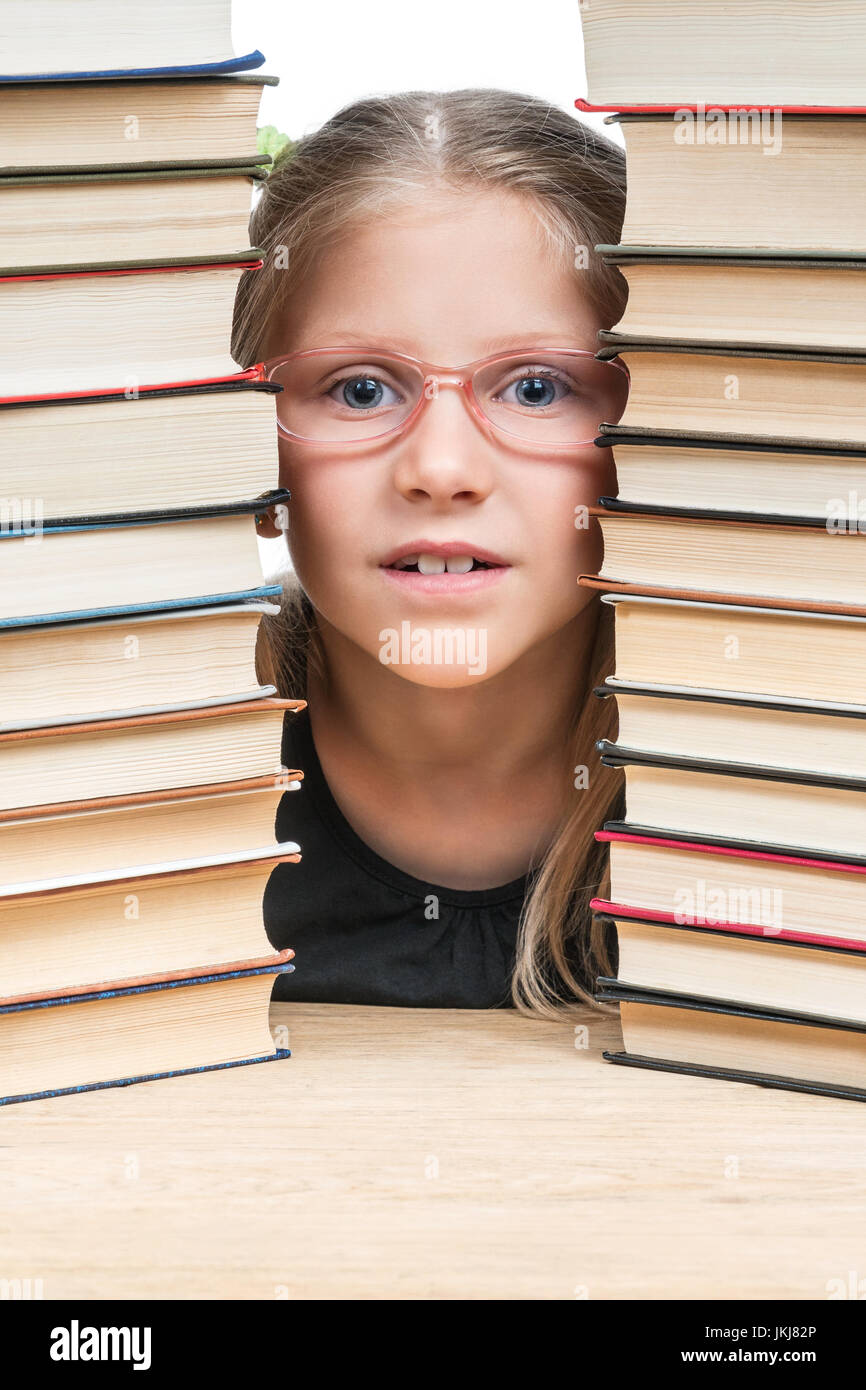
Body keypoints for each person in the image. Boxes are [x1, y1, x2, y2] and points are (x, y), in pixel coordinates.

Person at [231, 88, 629, 1015]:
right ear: (249, 435)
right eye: (360, 389)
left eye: (537, 387)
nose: (441, 469)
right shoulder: (123, 775)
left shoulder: (787, 770)